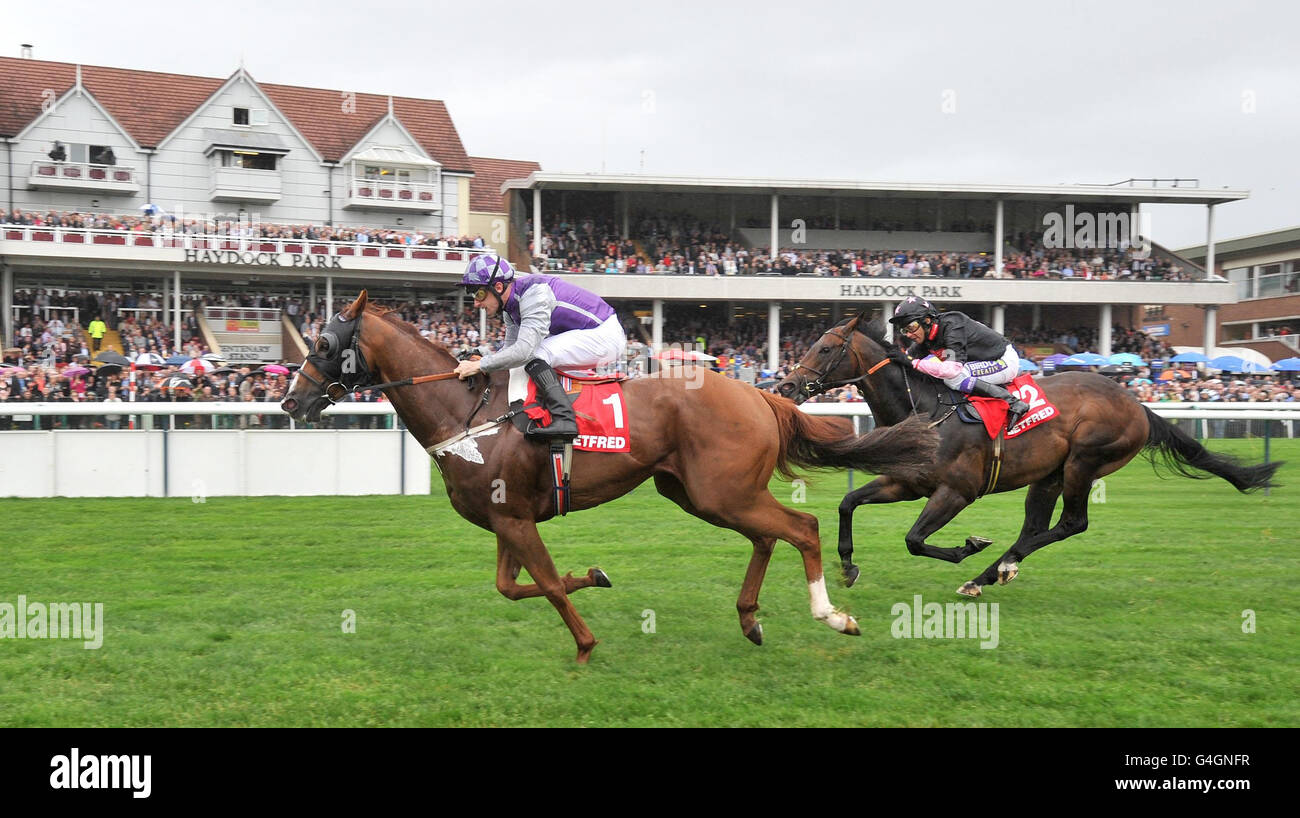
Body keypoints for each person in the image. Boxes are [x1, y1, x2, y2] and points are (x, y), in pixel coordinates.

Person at [452, 254, 626, 439]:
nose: (476, 303)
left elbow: (523, 352)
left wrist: (480, 365)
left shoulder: (533, 295)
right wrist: (483, 361)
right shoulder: (509, 309)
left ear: (498, 287)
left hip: (607, 335)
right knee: (528, 357)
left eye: (479, 294)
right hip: (591, 335)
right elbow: (511, 352)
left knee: (536, 354)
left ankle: (565, 420)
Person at [889, 296, 1030, 429]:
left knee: (954, 378)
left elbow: (952, 370)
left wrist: (914, 363)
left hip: (1003, 360)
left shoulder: (953, 325)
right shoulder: (924, 339)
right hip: (983, 362)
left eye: (911, 327)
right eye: (904, 330)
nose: (908, 334)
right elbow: (904, 359)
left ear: (927, 320)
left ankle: (1014, 403)